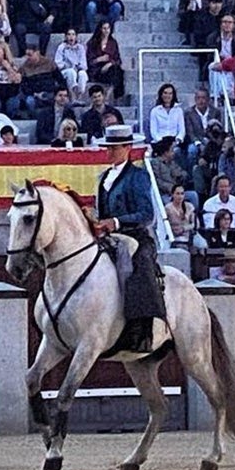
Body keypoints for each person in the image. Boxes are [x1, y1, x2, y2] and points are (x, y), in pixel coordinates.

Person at [88, 124, 166, 353]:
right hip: (108, 237)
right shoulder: (104, 177)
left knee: (136, 268)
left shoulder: (138, 176)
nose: (109, 152)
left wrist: (117, 222)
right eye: (108, 147)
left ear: (128, 148)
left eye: (115, 147)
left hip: (133, 235)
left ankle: (141, 329)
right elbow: (102, 212)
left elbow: (146, 214)